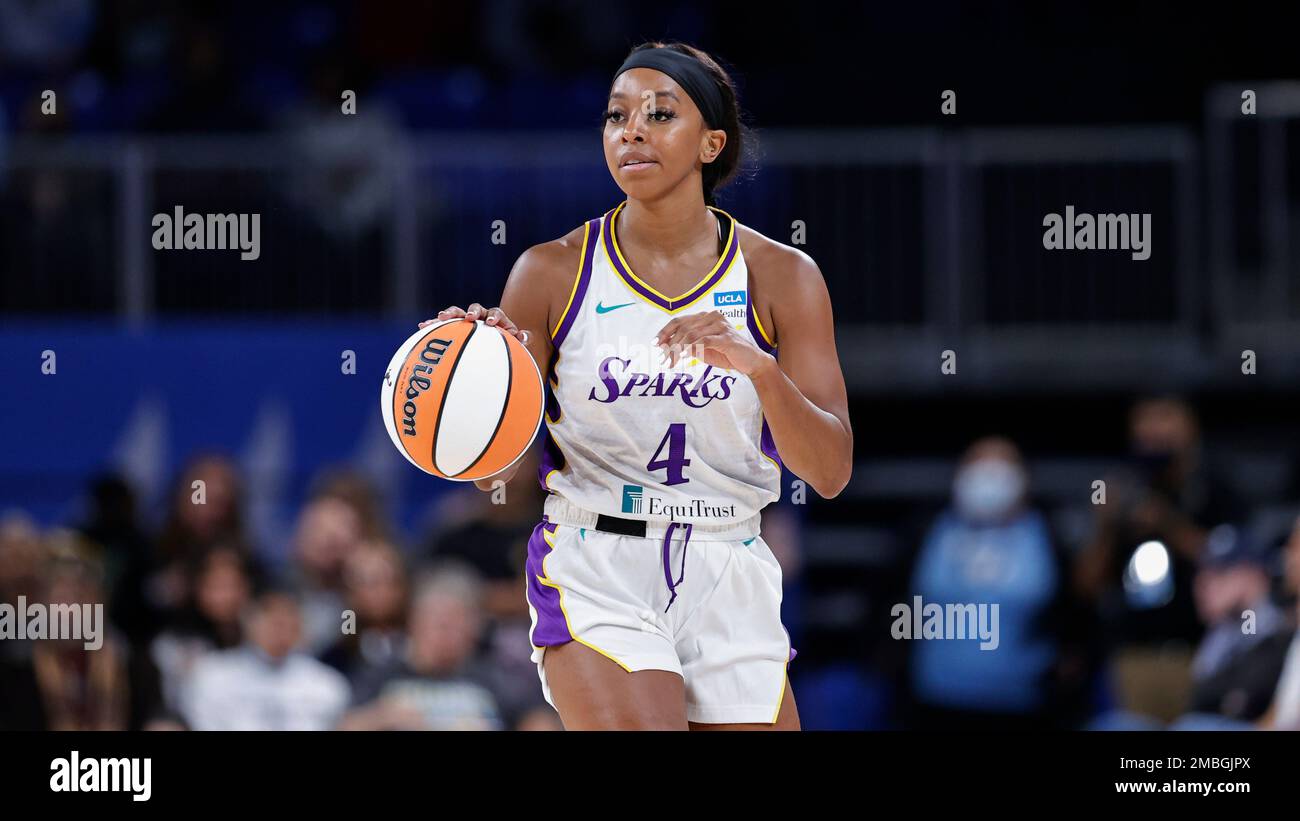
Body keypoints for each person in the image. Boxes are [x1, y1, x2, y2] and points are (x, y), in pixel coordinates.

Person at [417, 41, 853, 729]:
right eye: (616, 116)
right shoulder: (550, 272)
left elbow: (829, 471)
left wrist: (761, 370)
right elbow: (494, 479)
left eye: (659, 114)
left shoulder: (784, 278)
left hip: (729, 561)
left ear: (712, 142)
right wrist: (478, 379)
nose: (632, 131)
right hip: (599, 560)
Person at [907, 438, 1088, 730]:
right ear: (959, 474)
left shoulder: (1048, 534)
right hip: (934, 700)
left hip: (1025, 702)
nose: (990, 475)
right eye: (978, 463)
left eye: (1003, 465)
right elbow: (893, 607)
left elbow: (1073, 610)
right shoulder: (927, 528)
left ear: (1023, 477)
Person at [179, 585, 349, 731]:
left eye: (286, 619)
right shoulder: (211, 674)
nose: (277, 628)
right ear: (247, 620)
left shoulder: (326, 683)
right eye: (269, 617)